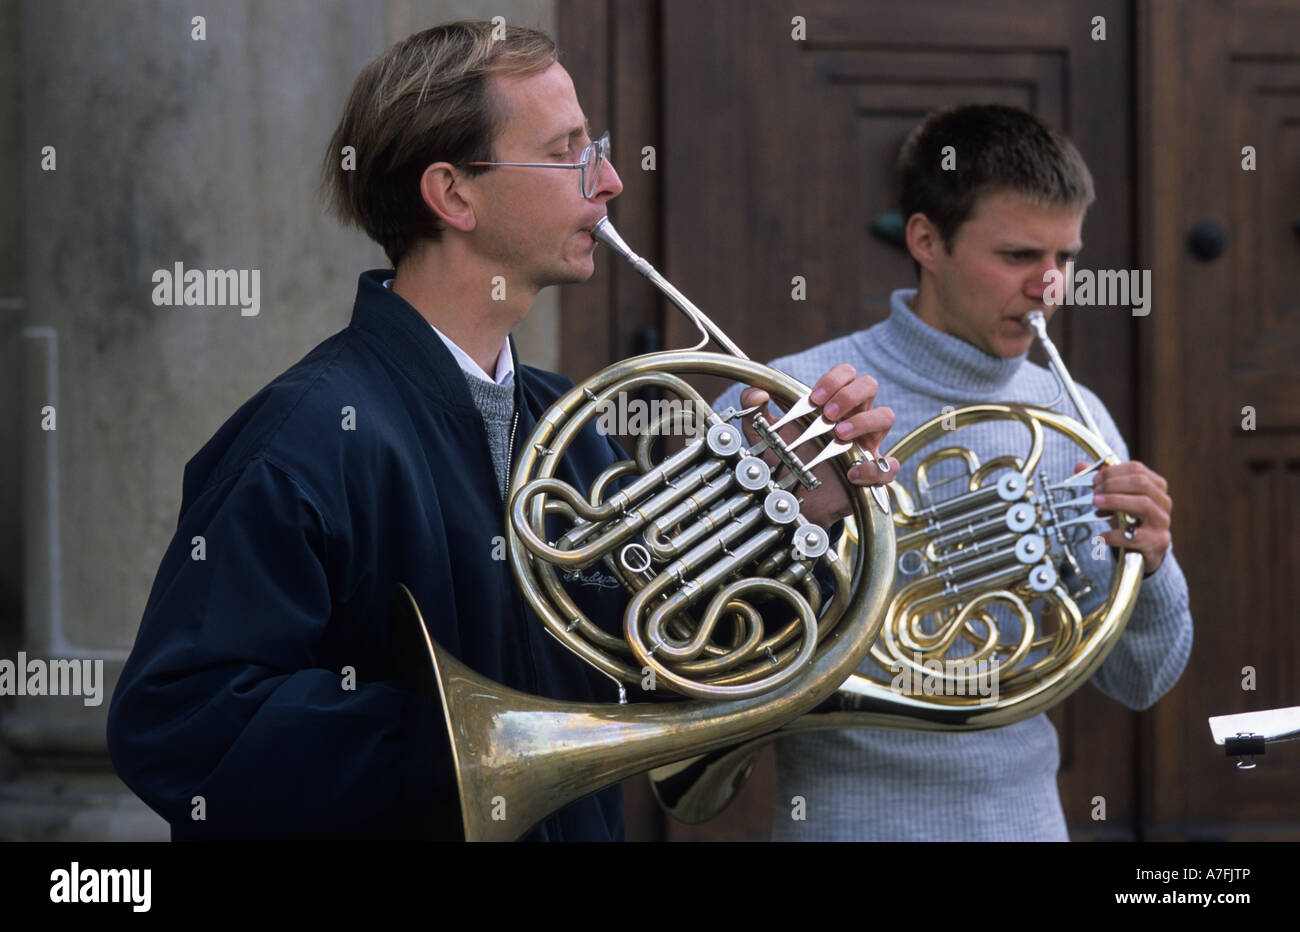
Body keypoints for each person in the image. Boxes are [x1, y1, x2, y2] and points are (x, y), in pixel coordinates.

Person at [106, 21, 897, 841]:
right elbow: (181, 720)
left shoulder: (572, 429)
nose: (613, 181)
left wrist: (801, 513)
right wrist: (463, 746)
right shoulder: (305, 433)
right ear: (453, 195)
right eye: (567, 153)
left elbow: (670, 662)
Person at [714, 104, 1194, 841]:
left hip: (1024, 823)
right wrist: (797, 522)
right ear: (926, 240)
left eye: (1066, 258)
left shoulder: (1076, 414)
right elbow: (700, 636)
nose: (1050, 286)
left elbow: (1140, 682)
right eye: (1018, 257)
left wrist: (1152, 568)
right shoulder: (795, 397)